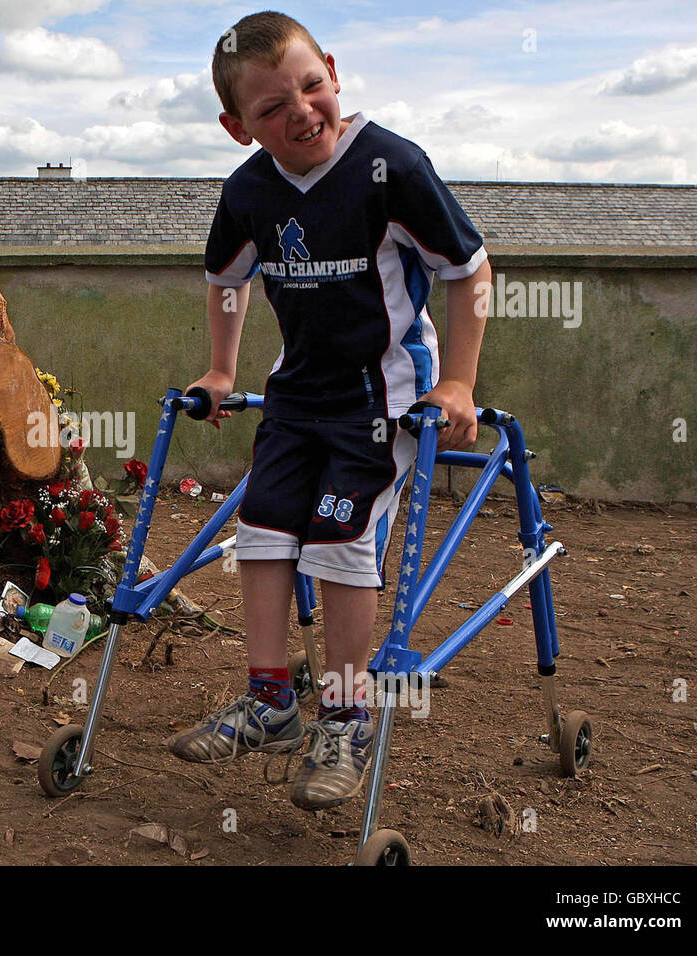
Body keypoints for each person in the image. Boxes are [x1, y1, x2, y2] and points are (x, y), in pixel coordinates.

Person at [170, 12, 492, 811]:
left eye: (310, 86)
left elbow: (469, 270)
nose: (302, 111)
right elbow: (225, 278)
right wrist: (220, 366)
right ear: (237, 127)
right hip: (297, 394)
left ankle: (345, 716)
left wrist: (457, 382)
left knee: (341, 538)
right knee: (263, 530)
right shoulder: (248, 191)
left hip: (381, 396)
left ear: (335, 73)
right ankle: (272, 700)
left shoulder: (391, 165)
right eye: (272, 108)